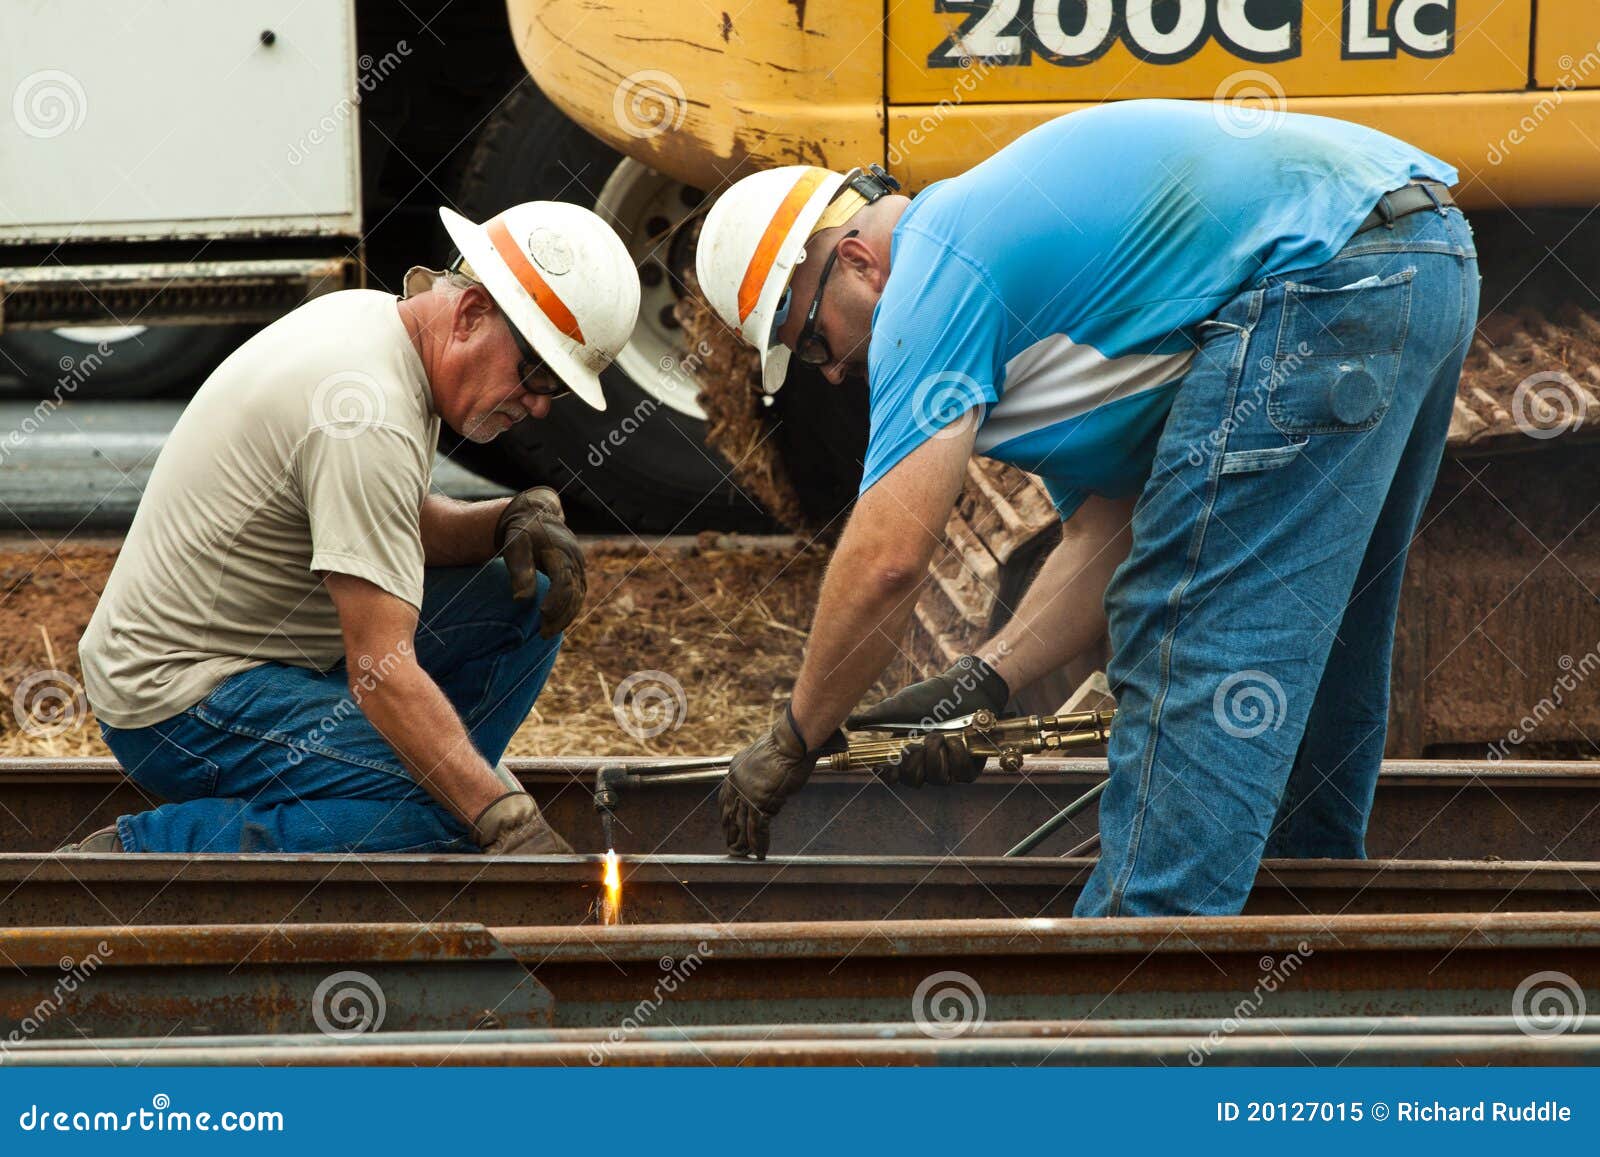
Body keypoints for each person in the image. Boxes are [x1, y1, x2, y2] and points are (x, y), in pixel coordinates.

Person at [693, 99, 1479, 915]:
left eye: (812, 341)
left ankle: (1140, 962)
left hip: (1329, 274)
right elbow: (1109, 529)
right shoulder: (1029, 292)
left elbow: (889, 559)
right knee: (1321, 640)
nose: (829, 373)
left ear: (857, 262)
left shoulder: (930, 271)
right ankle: (1294, 921)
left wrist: (795, 735)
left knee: (1182, 626)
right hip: (1420, 254)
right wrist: (983, 680)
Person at [68, 202, 640, 855]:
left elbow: (384, 522)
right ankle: (150, 850)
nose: (538, 404)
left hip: (268, 653)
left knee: (525, 600)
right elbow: (380, 671)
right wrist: (504, 820)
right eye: (536, 371)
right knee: (452, 812)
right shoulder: (367, 414)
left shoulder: (376, 326)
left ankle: (382, 795)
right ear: (471, 313)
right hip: (179, 703)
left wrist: (504, 521)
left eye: (555, 388)